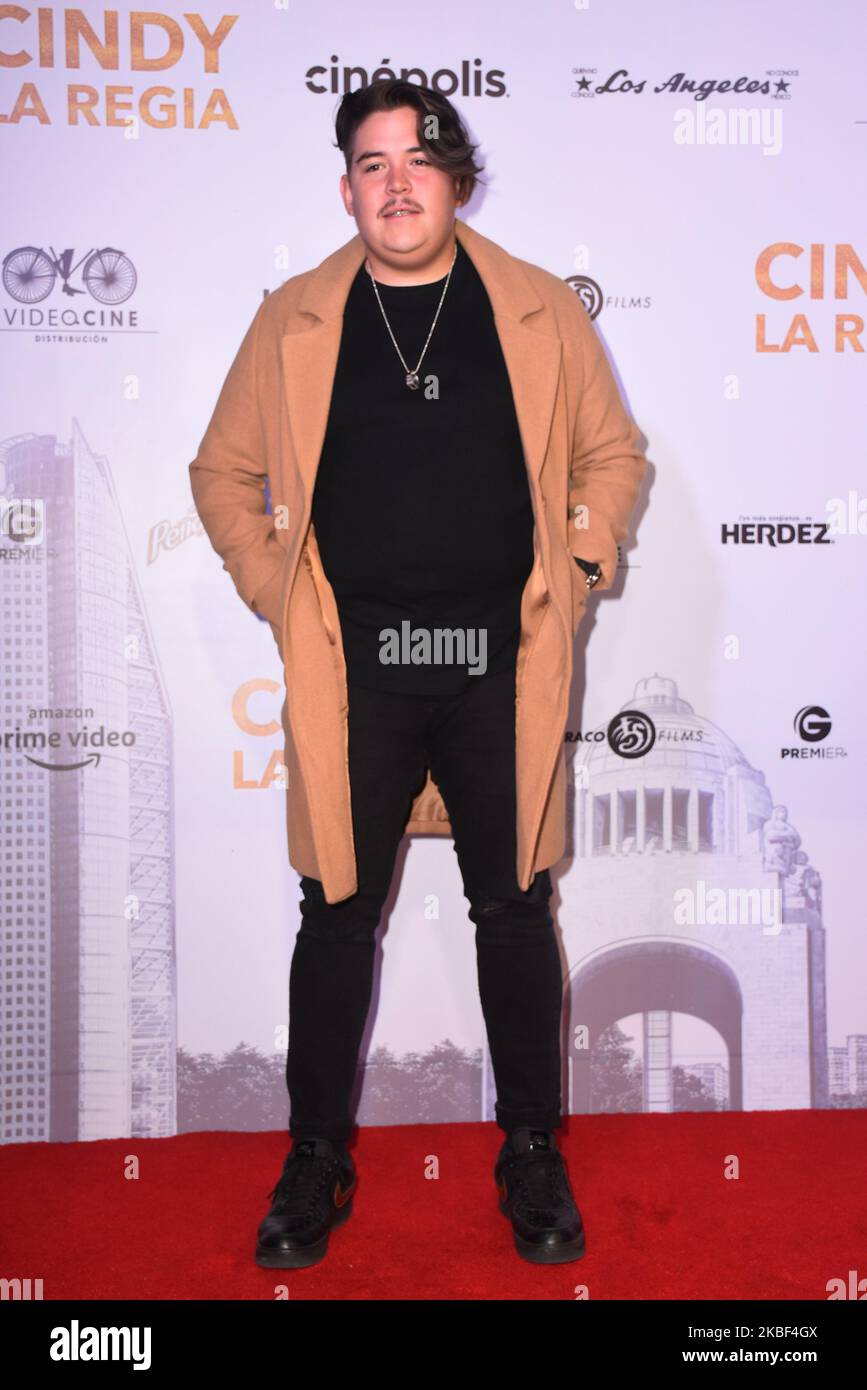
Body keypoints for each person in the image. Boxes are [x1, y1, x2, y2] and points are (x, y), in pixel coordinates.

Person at [189, 78, 647, 1270]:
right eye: (371, 163)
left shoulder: (537, 309)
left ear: (456, 178)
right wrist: (276, 587)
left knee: (514, 905)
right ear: (345, 189)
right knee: (335, 911)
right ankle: (316, 1155)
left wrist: (584, 558)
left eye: (417, 160)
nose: (395, 182)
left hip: (504, 660)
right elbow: (222, 475)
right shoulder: (295, 318)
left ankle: (531, 1150)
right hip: (359, 672)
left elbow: (613, 454)